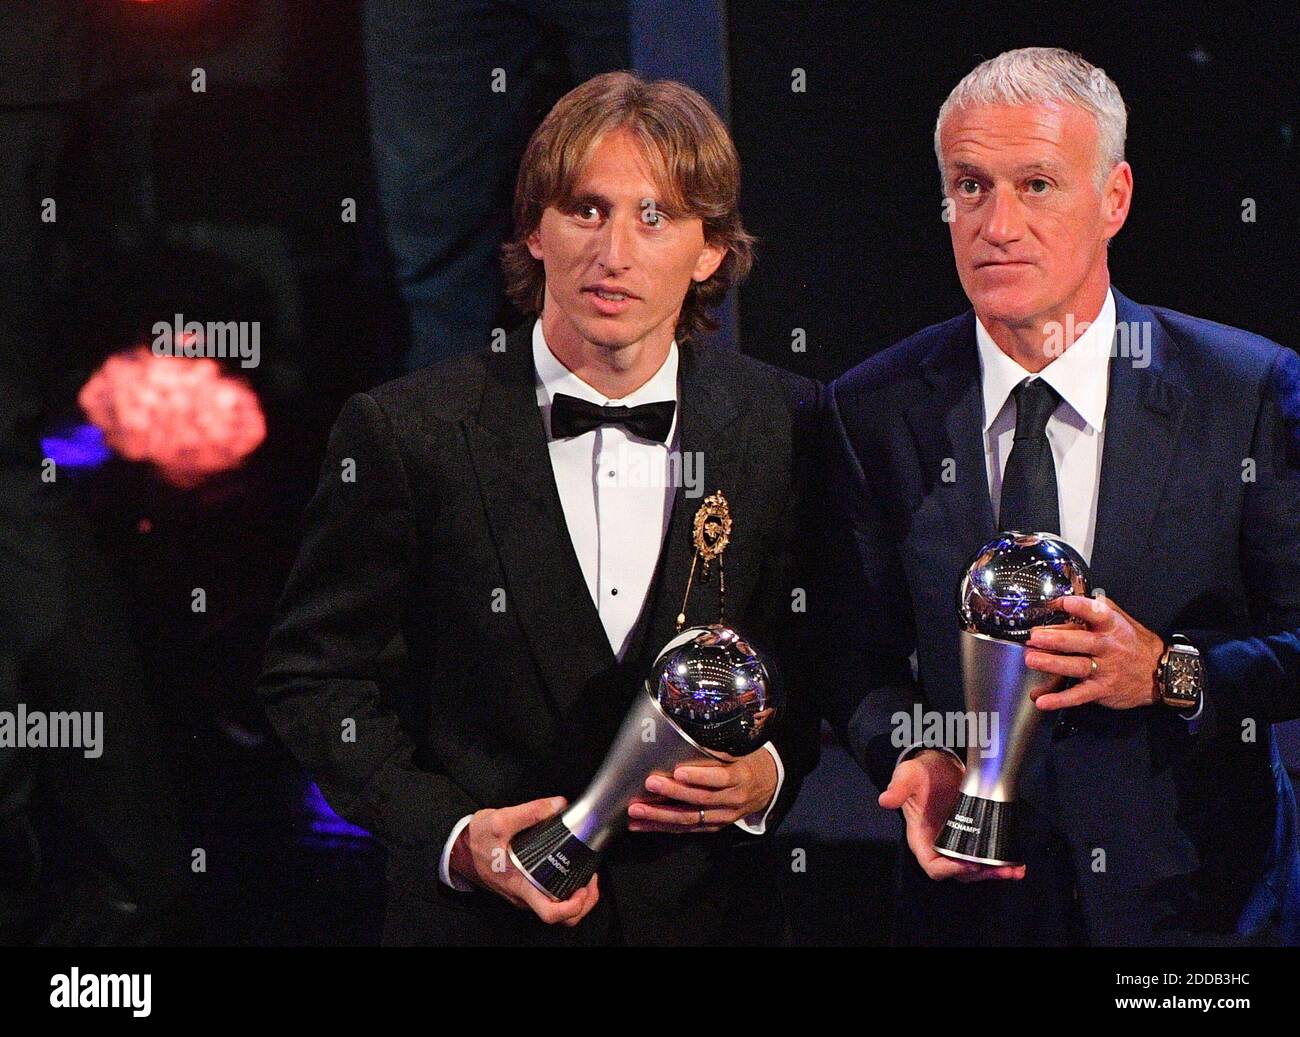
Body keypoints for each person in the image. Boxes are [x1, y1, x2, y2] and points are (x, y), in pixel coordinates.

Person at [259, 71, 821, 946]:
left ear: (711, 248)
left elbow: (819, 652)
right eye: (586, 209)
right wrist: (453, 838)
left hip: (714, 920)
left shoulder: (786, 422)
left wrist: (770, 772)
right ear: (535, 230)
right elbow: (315, 679)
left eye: (657, 216)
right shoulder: (407, 431)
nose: (615, 253)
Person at [817, 47, 1300, 946]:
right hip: (969, 913)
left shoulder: (1247, 389)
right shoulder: (872, 408)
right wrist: (909, 750)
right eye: (970, 186)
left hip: (1203, 916)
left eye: (1036, 185)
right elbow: (850, 660)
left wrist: (1168, 670)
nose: (997, 224)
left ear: (1113, 198)